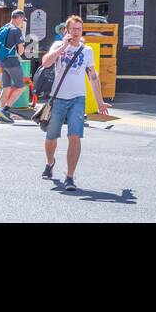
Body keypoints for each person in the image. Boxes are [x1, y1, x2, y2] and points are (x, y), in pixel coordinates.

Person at [39, 15, 108, 191]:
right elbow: (46, 63)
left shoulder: (87, 51)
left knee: (75, 136)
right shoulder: (58, 46)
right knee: (51, 136)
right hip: (58, 98)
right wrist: (63, 46)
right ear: (67, 31)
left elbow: (93, 78)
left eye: (79, 29)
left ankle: (69, 176)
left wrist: (100, 102)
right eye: (73, 29)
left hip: (78, 98)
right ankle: (50, 162)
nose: (76, 32)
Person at [0, 10, 28, 123]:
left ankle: (1, 115)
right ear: (18, 18)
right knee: (21, 86)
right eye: (22, 19)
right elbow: (21, 50)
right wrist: (21, 49)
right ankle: (5, 109)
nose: (22, 22)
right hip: (12, 61)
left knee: (6, 88)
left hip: (3, 61)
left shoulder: (5, 28)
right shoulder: (16, 30)